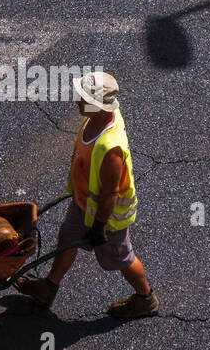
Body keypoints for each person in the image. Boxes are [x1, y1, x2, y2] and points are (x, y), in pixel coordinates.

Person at [17, 71, 158, 319]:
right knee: (66, 239)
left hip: (107, 218)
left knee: (121, 258)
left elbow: (109, 195)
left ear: (99, 105)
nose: (76, 101)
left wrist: (99, 228)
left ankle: (145, 298)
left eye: (83, 98)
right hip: (84, 203)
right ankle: (48, 288)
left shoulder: (110, 148)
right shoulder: (94, 117)